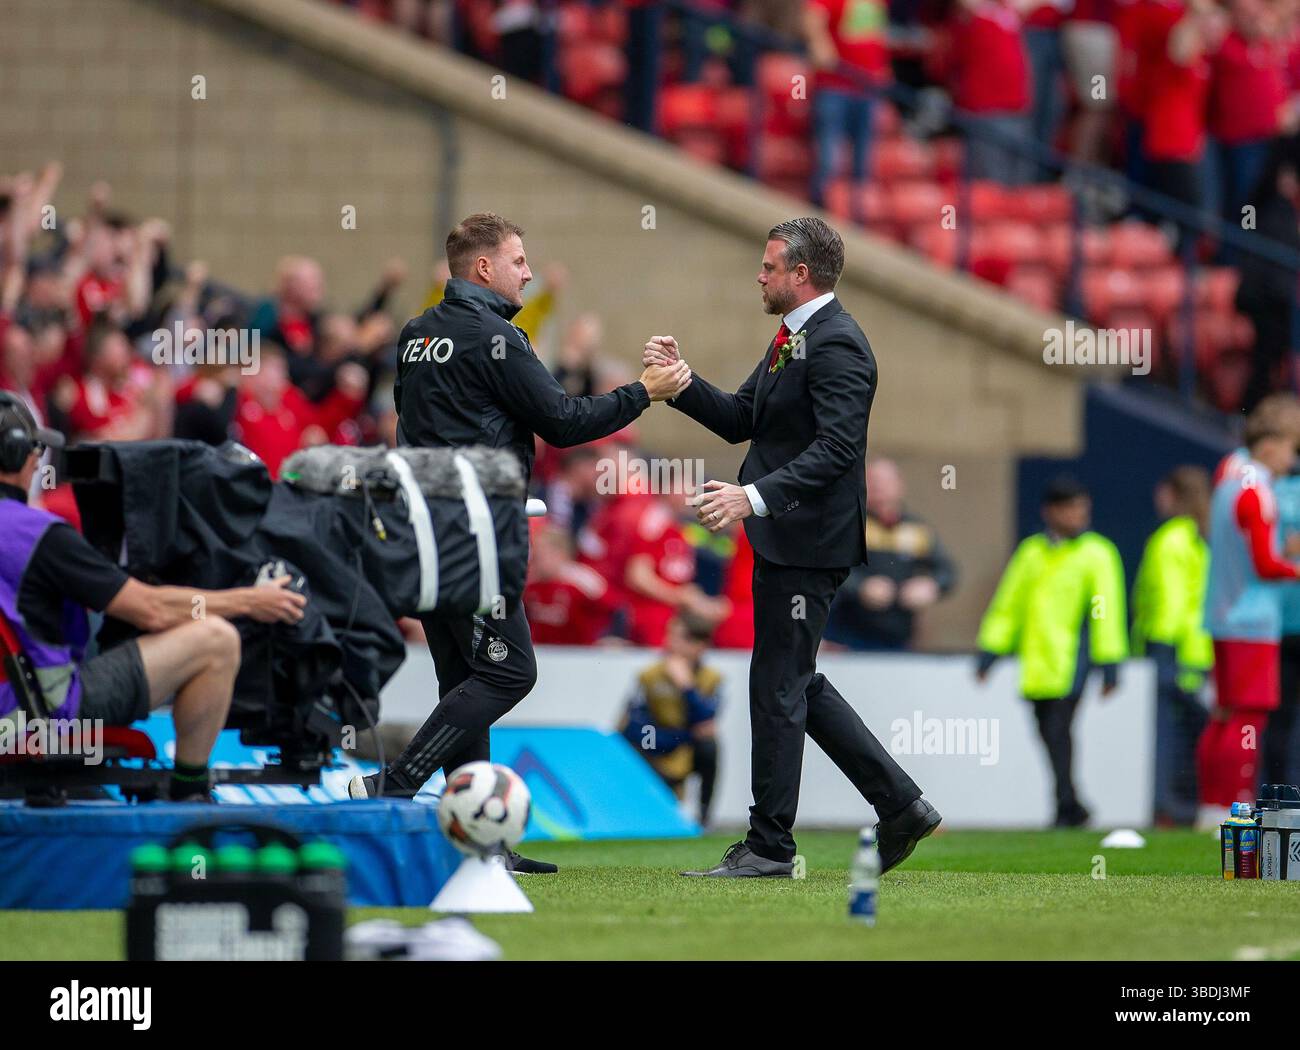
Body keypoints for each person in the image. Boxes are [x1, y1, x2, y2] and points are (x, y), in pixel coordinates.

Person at [348, 213, 691, 875]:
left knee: (464, 682)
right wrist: (642, 393)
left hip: (426, 530)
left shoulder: (418, 335)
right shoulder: (497, 339)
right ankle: (395, 783)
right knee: (509, 672)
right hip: (475, 535)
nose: (528, 272)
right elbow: (563, 422)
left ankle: (480, 842)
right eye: (518, 261)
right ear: (484, 268)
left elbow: (406, 428)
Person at [647, 216, 941, 878]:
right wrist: (681, 380)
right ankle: (900, 805)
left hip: (809, 544)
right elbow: (741, 420)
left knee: (778, 687)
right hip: (792, 540)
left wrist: (751, 498)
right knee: (792, 683)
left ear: (800, 274)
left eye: (769, 265)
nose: (759, 273)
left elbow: (838, 451)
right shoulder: (795, 337)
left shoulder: (836, 344)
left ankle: (770, 847)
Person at [0, 392, 306, 801]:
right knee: (216, 641)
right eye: (35, 448)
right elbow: (152, 610)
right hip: (37, 714)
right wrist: (251, 600)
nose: (40, 461)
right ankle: (189, 790)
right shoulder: (39, 534)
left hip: (12, 710)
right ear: (15, 452)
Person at [975, 476, 1128, 827]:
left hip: (1075, 660)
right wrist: (990, 652)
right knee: (1047, 732)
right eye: (1071, 508)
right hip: (1037, 663)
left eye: (1082, 508)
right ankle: (1071, 802)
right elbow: (1008, 605)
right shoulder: (1032, 553)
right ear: (1051, 511)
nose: (1079, 515)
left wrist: (1109, 663)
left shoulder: (1097, 553)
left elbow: (1106, 611)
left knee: (1058, 731)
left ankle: (1066, 804)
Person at [1199, 401, 1300, 822]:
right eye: (1290, 448)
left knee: (1224, 714)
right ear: (1271, 444)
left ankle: (1211, 807)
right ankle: (1235, 807)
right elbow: (1265, 564)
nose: (1292, 460)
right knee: (1248, 718)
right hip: (1253, 620)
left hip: (1223, 614)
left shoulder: (1228, 477)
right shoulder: (1258, 491)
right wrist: (1294, 564)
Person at [1131, 466, 1213, 826]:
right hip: (1198, 649)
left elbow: (1169, 599)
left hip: (1171, 648)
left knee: (1168, 734)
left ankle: (1169, 807)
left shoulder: (1169, 539)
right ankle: (1189, 804)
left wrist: (1161, 646)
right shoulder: (1199, 538)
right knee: (1192, 731)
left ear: (1172, 494)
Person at [826, 457, 957, 650]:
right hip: (849, 638)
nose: (879, 487)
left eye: (885, 481)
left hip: (899, 639)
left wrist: (931, 585)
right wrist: (860, 586)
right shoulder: (848, 526)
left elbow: (948, 571)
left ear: (900, 485)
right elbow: (827, 570)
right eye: (873, 480)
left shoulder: (916, 529)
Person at [620, 612, 722, 826]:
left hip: (684, 751)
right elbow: (633, 726)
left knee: (710, 747)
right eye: (669, 636)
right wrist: (680, 737)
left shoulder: (712, 678)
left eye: (679, 638)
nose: (669, 643)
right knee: (632, 744)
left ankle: (704, 819)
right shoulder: (650, 675)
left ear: (699, 646)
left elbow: (707, 720)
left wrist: (687, 688)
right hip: (655, 751)